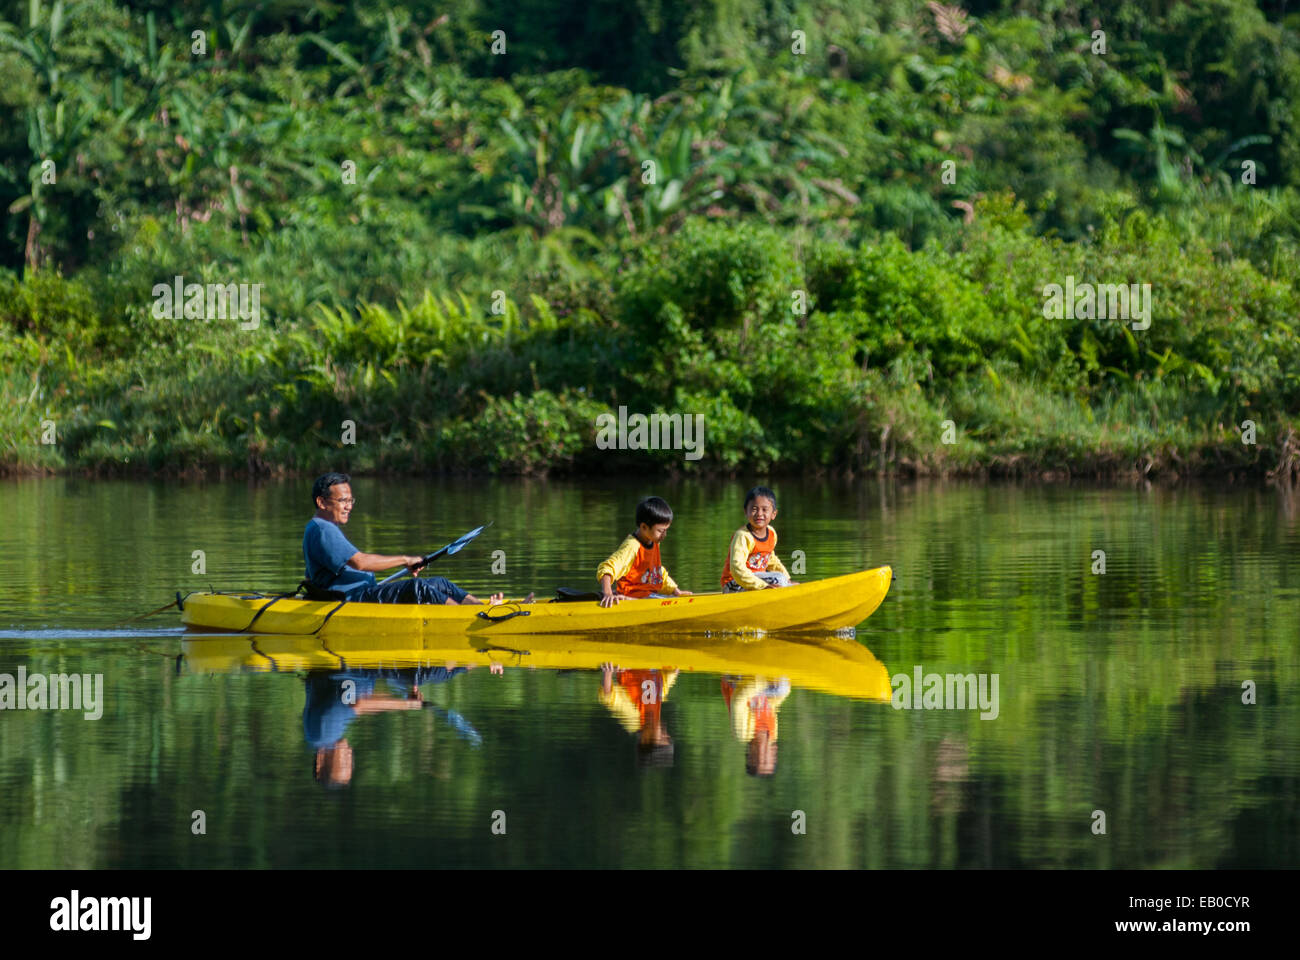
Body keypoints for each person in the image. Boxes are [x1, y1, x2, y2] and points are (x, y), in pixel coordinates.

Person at [303, 472, 503, 605]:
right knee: (417, 587)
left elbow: (311, 575)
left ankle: (481, 607)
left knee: (440, 583)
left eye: (350, 500)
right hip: (356, 601)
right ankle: (474, 617)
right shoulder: (323, 530)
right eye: (343, 501)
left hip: (365, 594)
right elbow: (360, 562)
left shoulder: (321, 529)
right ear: (322, 502)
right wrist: (406, 560)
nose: (349, 506)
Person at [596, 496, 693, 607]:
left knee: (668, 599)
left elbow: (657, 573)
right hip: (634, 598)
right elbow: (607, 568)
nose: (664, 535)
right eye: (661, 531)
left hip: (648, 596)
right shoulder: (632, 546)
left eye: (666, 530)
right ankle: (626, 599)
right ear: (644, 527)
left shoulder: (654, 542)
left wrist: (676, 591)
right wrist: (608, 593)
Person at [720, 485, 796, 593]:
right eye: (754, 509)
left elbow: (771, 559)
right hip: (733, 584)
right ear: (746, 512)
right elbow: (737, 569)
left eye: (765, 510)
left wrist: (788, 580)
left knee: (781, 578)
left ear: (773, 514)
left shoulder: (771, 533)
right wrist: (762, 586)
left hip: (757, 582)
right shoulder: (743, 536)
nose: (759, 514)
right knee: (779, 579)